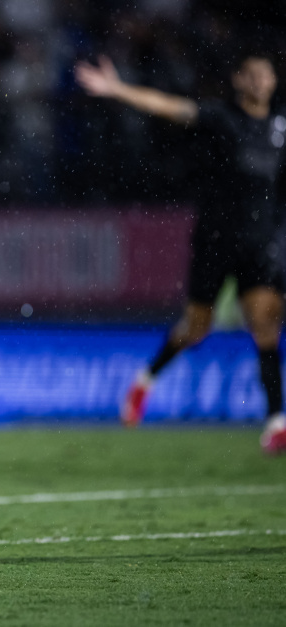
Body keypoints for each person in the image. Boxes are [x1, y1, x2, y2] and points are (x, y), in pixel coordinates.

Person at [75, 54, 286, 454]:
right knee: (196, 327)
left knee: (265, 326)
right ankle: (145, 381)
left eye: (266, 75)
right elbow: (170, 106)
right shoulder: (223, 119)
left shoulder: (280, 128)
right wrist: (117, 89)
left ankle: (276, 423)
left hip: (261, 245)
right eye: (253, 75)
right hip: (216, 240)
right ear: (239, 80)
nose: (260, 82)